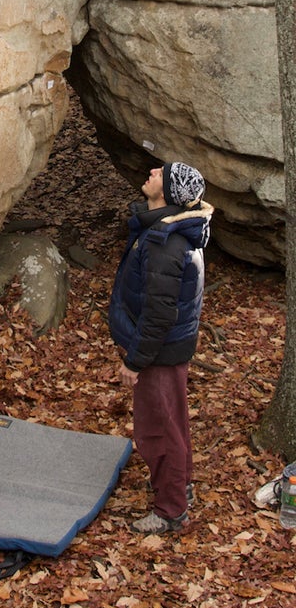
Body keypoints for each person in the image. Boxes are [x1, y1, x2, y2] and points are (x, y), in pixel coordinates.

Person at [108, 161, 214, 533]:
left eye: (162, 174)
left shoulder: (165, 245)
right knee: (174, 422)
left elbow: (158, 315)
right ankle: (180, 488)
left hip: (158, 352)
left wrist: (134, 363)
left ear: (168, 194)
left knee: (157, 430)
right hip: (168, 349)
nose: (153, 171)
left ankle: (171, 511)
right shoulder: (166, 231)